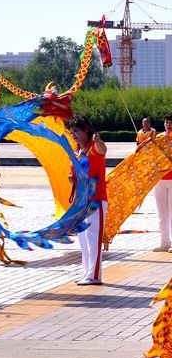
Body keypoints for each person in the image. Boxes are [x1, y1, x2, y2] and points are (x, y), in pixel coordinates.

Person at [67, 115, 107, 286]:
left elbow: (103, 150)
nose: (74, 135)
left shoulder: (93, 147)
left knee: (93, 237)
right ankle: (87, 273)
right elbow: (76, 175)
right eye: (72, 132)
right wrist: (72, 179)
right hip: (81, 202)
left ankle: (95, 275)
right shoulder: (77, 152)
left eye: (76, 131)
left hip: (96, 199)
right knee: (83, 239)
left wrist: (98, 141)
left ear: (86, 130)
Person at [153, 114, 172, 252]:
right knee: (162, 214)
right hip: (159, 180)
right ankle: (164, 242)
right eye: (166, 122)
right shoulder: (158, 138)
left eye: (171, 122)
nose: (168, 125)